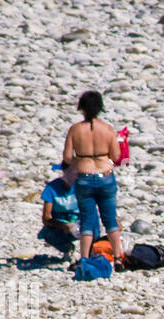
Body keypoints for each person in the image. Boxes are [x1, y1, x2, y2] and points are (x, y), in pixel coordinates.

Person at [63, 90, 125, 265]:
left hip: (85, 177)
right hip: (105, 175)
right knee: (110, 219)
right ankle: (118, 257)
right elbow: (116, 155)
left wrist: (81, 160)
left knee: (88, 220)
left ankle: (84, 258)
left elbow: (67, 157)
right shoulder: (107, 129)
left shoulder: (75, 130)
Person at [38, 164, 79, 257]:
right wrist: (62, 225)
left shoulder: (82, 186)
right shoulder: (51, 188)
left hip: (79, 222)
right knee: (49, 235)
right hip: (59, 225)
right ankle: (67, 248)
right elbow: (46, 218)